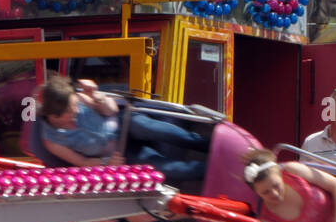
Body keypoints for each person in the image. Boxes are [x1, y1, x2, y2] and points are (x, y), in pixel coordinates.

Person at [37, 74, 211, 189]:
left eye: (75, 105)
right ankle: (214, 169)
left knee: (153, 128)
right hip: (120, 153)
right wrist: (107, 162)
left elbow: (111, 110)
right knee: (166, 168)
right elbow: (82, 161)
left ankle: (209, 145)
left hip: (124, 124)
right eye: (70, 111)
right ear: (54, 116)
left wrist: (98, 97)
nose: (75, 111)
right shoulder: (52, 140)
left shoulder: (78, 97)